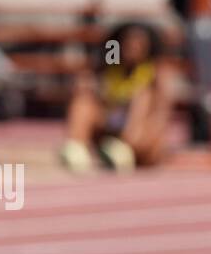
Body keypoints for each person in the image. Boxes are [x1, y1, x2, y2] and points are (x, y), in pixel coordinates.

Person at [60, 22, 175, 172]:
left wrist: (148, 138)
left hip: (139, 134)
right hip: (110, 127)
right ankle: (76, 148)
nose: (133, 47)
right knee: (84, 100)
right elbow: (95, 90)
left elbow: (161, 114)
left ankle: (122, 151)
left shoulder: (154, 73)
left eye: (138, 44)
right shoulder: (111, 65)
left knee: (142, 98)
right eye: (128, 43)